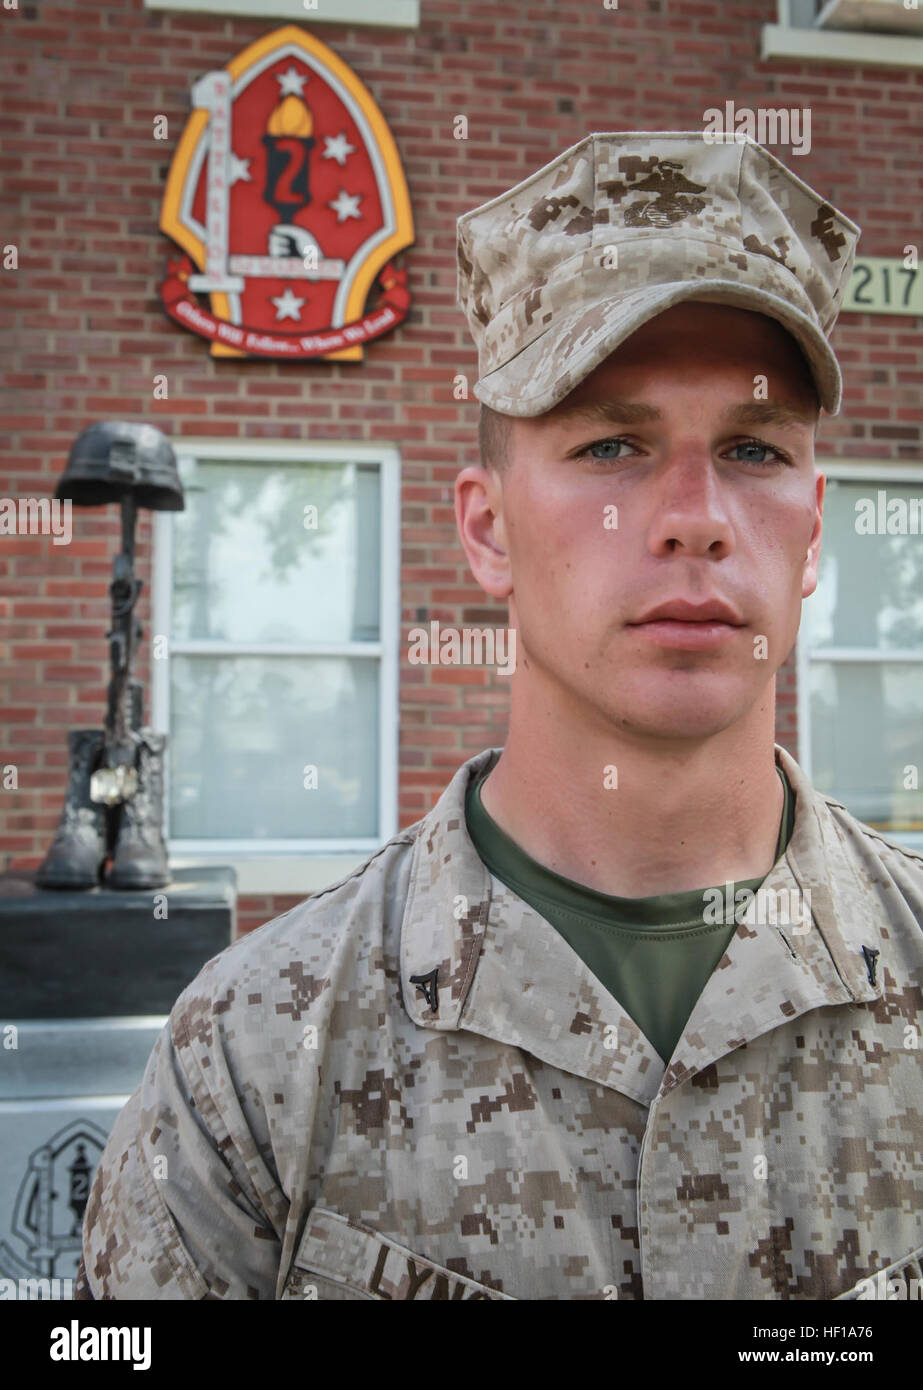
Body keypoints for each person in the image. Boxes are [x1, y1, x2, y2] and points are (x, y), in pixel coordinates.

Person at [77, 132, 923, 1301]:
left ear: (813, 525)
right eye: (611, 445)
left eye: (751, 447)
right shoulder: (254, 1060)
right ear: (484, 530)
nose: (693, 517)